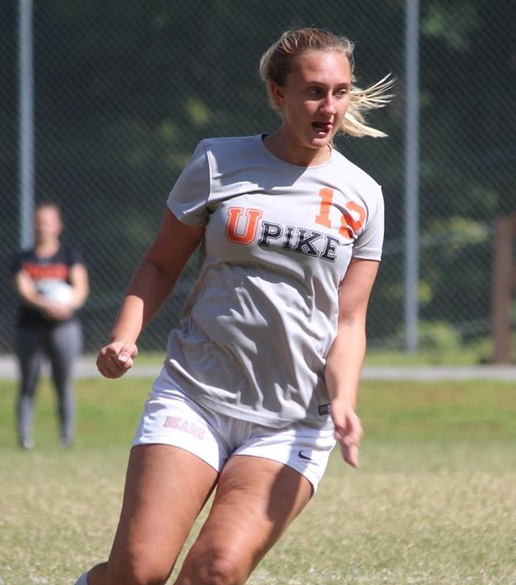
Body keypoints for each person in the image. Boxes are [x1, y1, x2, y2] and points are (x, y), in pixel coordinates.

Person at [76, 26, 394, 585]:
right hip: (195, 394)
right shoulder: (218, 162)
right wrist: (125, 336)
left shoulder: (363, 194)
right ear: (279, 93)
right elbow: (159, 265)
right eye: (315, 91)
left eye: (341, 92)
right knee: (139, 572)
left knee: (216, 569)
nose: (330, 107)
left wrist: (344, 398)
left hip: (293, 422)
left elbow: (349, 319)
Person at [13, 203, 88, 450]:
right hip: (30, 327)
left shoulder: (69, 255)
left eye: (47, 222)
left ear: (58, 226)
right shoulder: (23, 259)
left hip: (64, 327)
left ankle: (66, 439)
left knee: (63, 381)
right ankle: (24, 438)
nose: (42, 227)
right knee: (28, 382)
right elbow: (24, 290)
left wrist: (68, 307)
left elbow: (80, 287)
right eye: (38, 222)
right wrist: (43, 304)